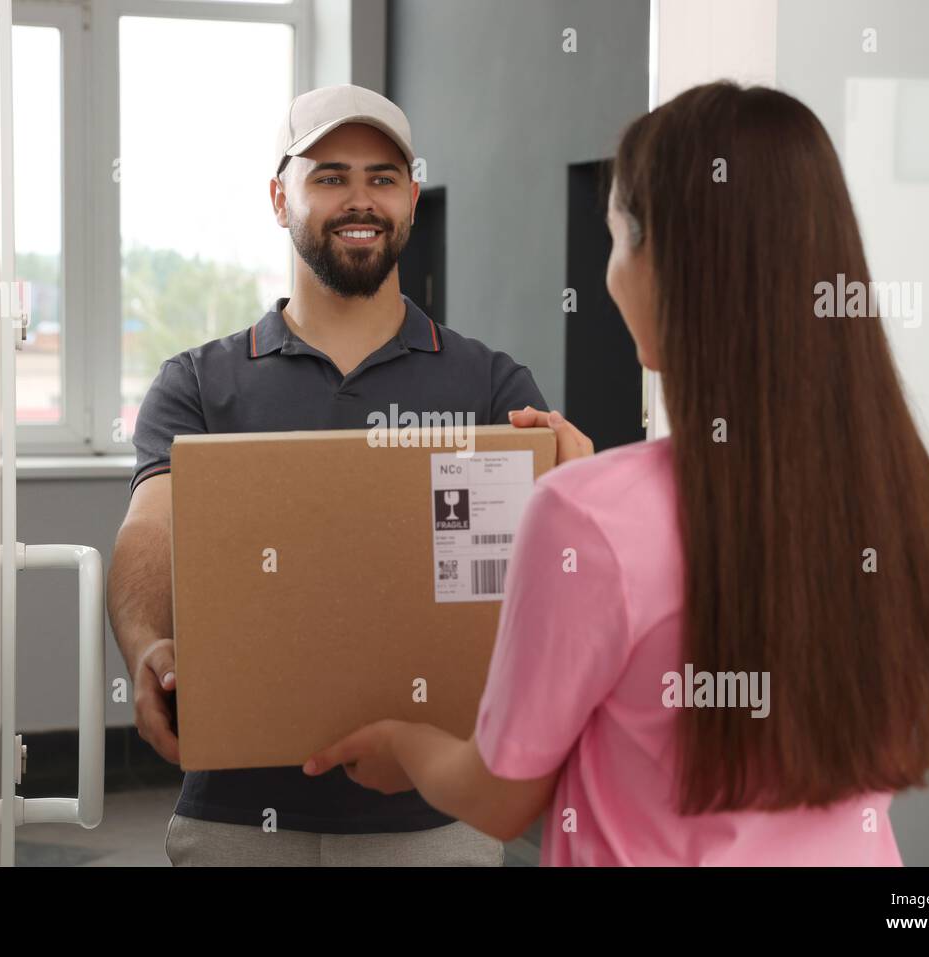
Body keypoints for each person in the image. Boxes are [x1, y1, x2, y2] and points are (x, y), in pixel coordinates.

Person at [305, 81, 929, 866]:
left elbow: (501, 795)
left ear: (663, 261)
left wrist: (405, 745)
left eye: (615, 240)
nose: (609, 276)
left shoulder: (585, 515)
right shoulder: (907, 491)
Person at [107, 84, 578, 866]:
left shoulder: (493, 388)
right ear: (278, 196)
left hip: (436, 824)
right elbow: (151, 528)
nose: (360, 198)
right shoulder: (197, 383)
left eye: (382, 177)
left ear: (412, 199)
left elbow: (549, 581)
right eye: (329, 176)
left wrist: (579, 491)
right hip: (237, 815)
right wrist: (148, 642)